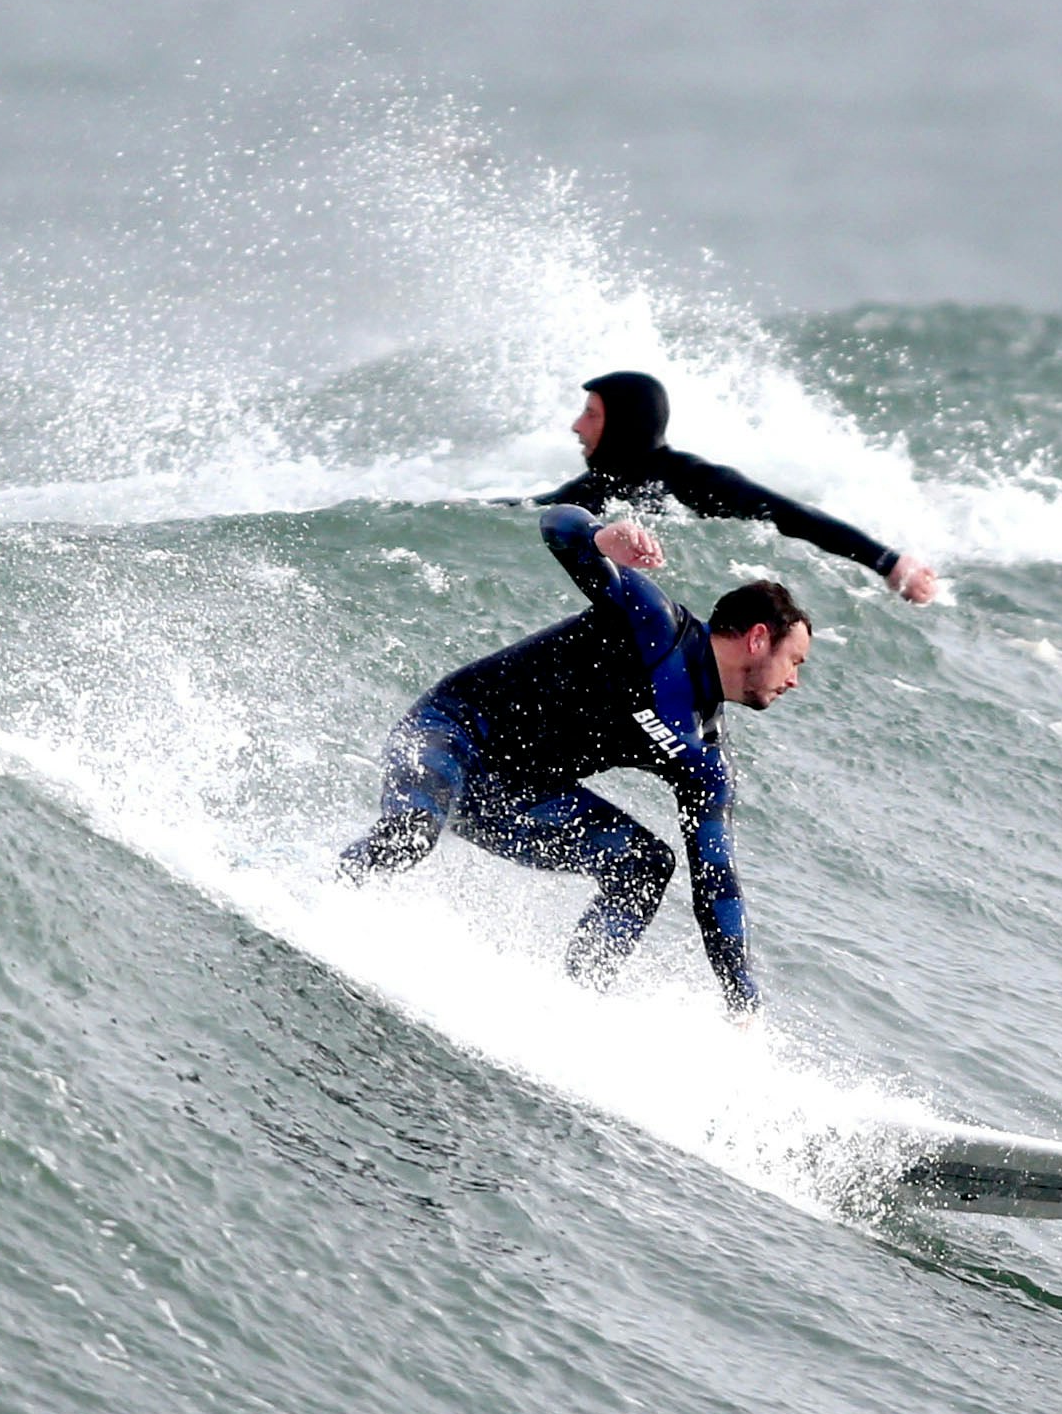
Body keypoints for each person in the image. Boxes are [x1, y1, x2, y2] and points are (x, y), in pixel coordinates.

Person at [338, 501, 809, 1010]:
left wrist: (743, 999)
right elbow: (557, 525)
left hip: (513, 799)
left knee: (644, 865)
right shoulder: (655, 626)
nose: (794, 680)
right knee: (412, 831)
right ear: (759, 639)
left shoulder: (704, 756)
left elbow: (716, 880)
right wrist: (601, 537)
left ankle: (573, 1007)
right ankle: (327, 905)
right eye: (794, 660)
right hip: (449, 738)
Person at [555, 369, 937, 602]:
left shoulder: (691, 478)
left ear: (624, 424)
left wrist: (888, 562)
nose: (577, 425)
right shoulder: (595, 487)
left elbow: (790, 515)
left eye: (591, 414)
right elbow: (525, 513)